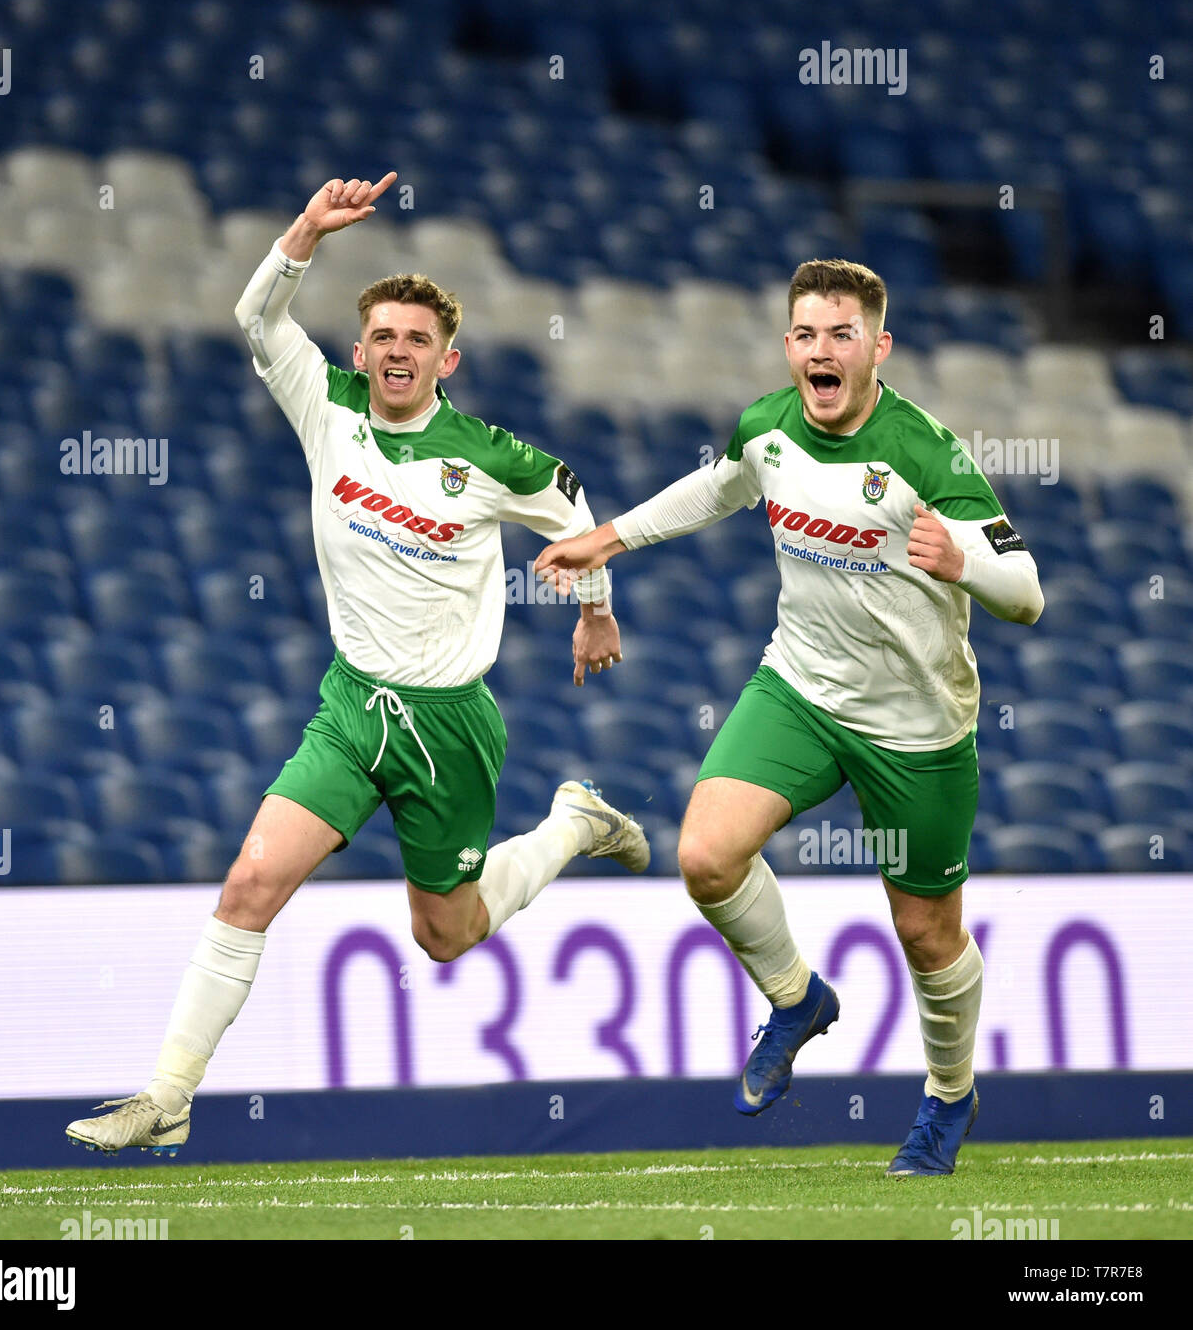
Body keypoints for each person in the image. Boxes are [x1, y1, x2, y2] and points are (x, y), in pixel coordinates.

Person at [66, 174, 648, 1156]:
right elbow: (255, 317)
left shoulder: (485, 456)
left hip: (451, 725)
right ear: (359, 349)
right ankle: (167, 1095)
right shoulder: (323, 406)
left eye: (417, 339)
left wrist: (594, 610)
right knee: (250, 882)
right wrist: (305, 232)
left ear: (446, 359)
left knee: (445, 935)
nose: (397, 351)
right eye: (382, 335)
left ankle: (570, 825)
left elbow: (575, 509)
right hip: (351, 709)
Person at [536, 259, 1043, 1176]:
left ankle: (947, 1098)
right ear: (787, 345)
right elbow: (717, 488)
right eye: (806, 334)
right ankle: (797, 998)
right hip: (800, 689)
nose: (821, 350)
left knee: (927, 933)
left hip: (915, 725)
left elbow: (1029, 593)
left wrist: (963, 563)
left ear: (876, 348)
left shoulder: (926, 454)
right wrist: (607, 537)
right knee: (704, 855)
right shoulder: (767, 427)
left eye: (840, 334)